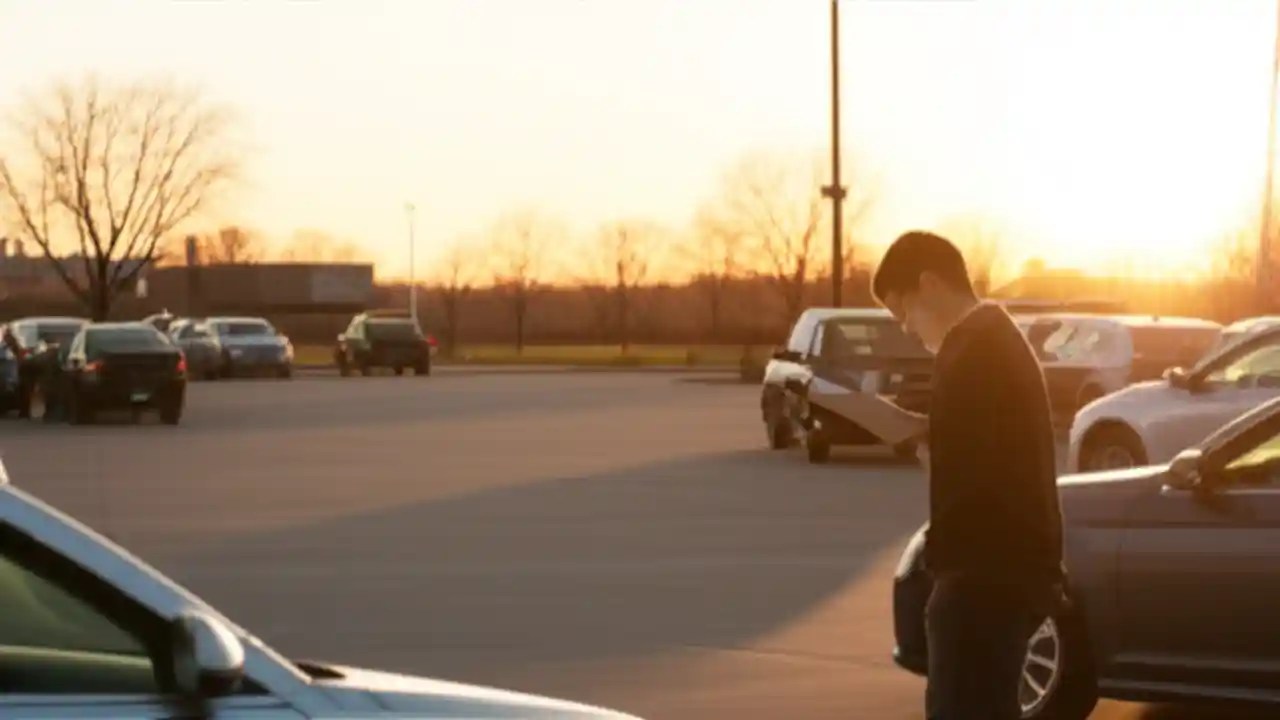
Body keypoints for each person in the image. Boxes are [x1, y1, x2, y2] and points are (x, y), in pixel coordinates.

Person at [872, 231, 1066, 720]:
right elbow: (987, 454)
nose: (908, 330)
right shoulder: (998, 339)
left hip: (980, 585)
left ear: (929, 285)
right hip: (1009, 580)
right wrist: (929, 434)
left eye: (905, 312)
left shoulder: (968, 351)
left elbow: (968, 484)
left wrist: (922, 443)